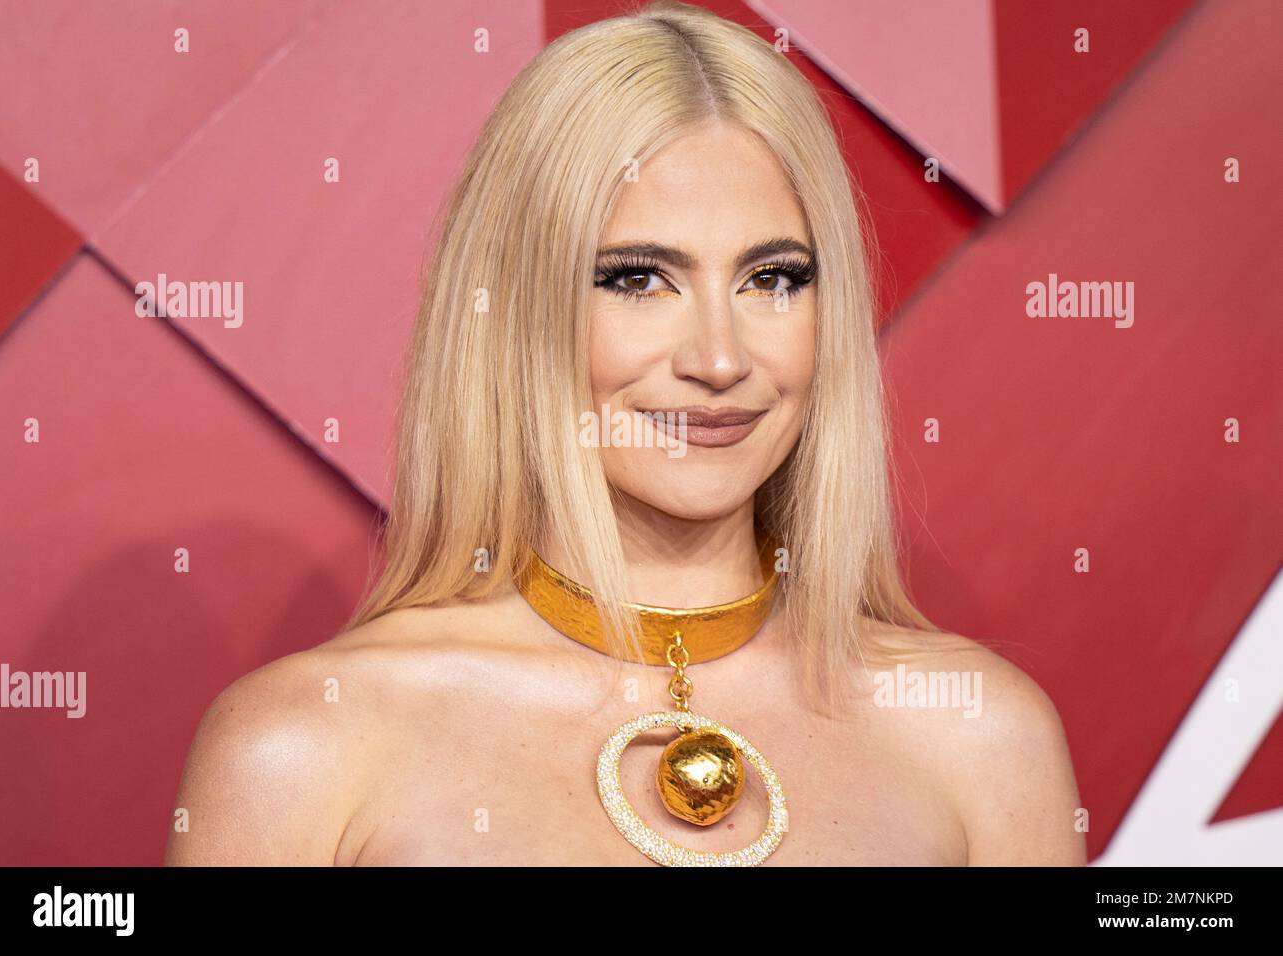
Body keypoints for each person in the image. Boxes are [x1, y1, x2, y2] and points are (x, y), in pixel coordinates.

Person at [166, 0, 1086, 866]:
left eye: (772, 280)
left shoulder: (982, 738)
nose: (720, 359)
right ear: (510, 311)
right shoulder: (303, 747)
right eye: (639, 280)